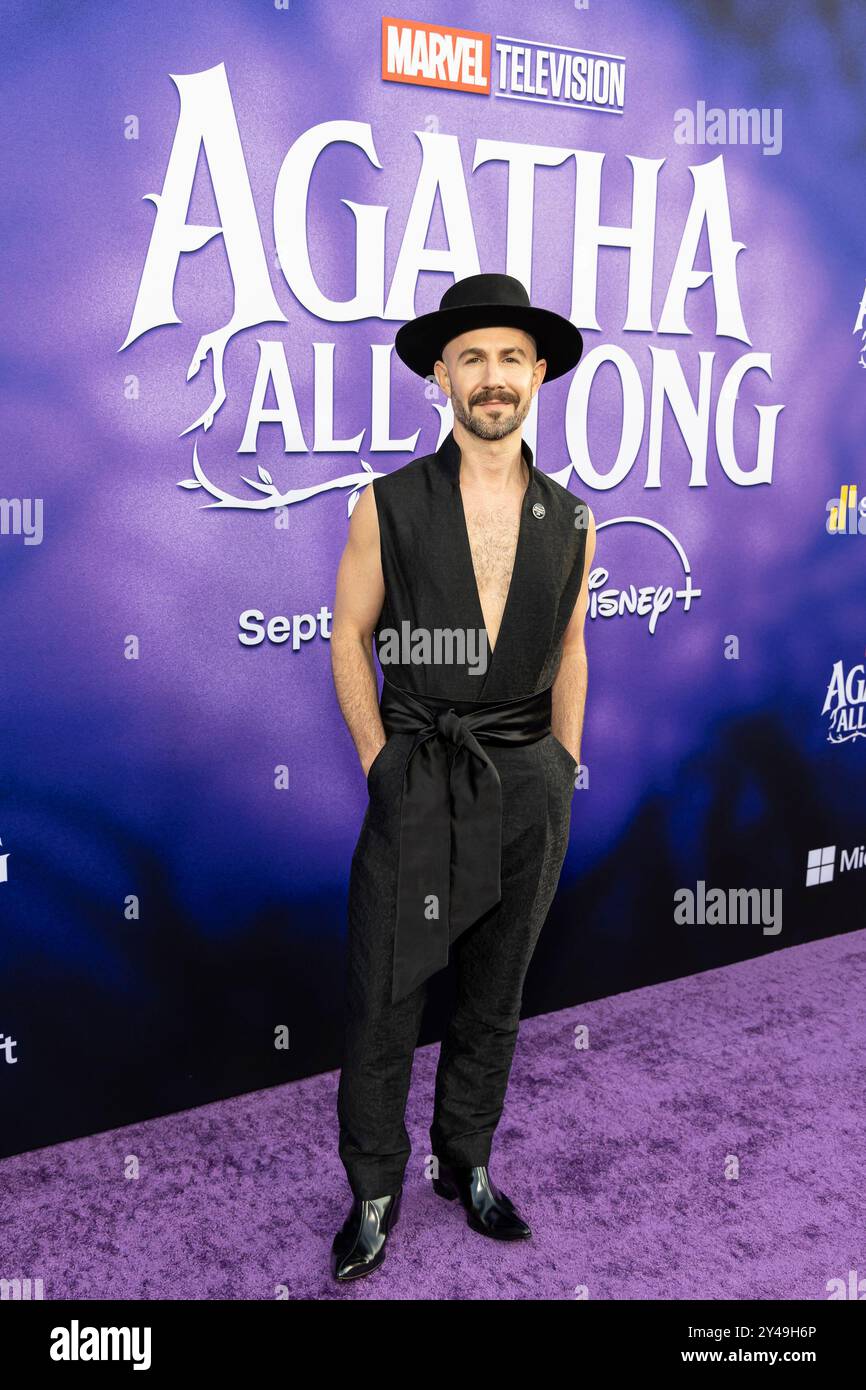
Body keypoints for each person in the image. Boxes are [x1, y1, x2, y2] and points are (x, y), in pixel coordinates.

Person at [329, 273, 596, 1281]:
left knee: (495, 992)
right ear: (440, 374)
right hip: (422, 773)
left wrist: (561, 768)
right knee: (384, 995)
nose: (492, 377)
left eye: (511, 358)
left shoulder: (574, 520)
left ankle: (465, 1161)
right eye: (472, 357)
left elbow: (569, 651)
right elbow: (347, 637)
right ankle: (374, 1185)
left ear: (537, 375)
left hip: (527, 780)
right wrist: (378, 760)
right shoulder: (386, 503)